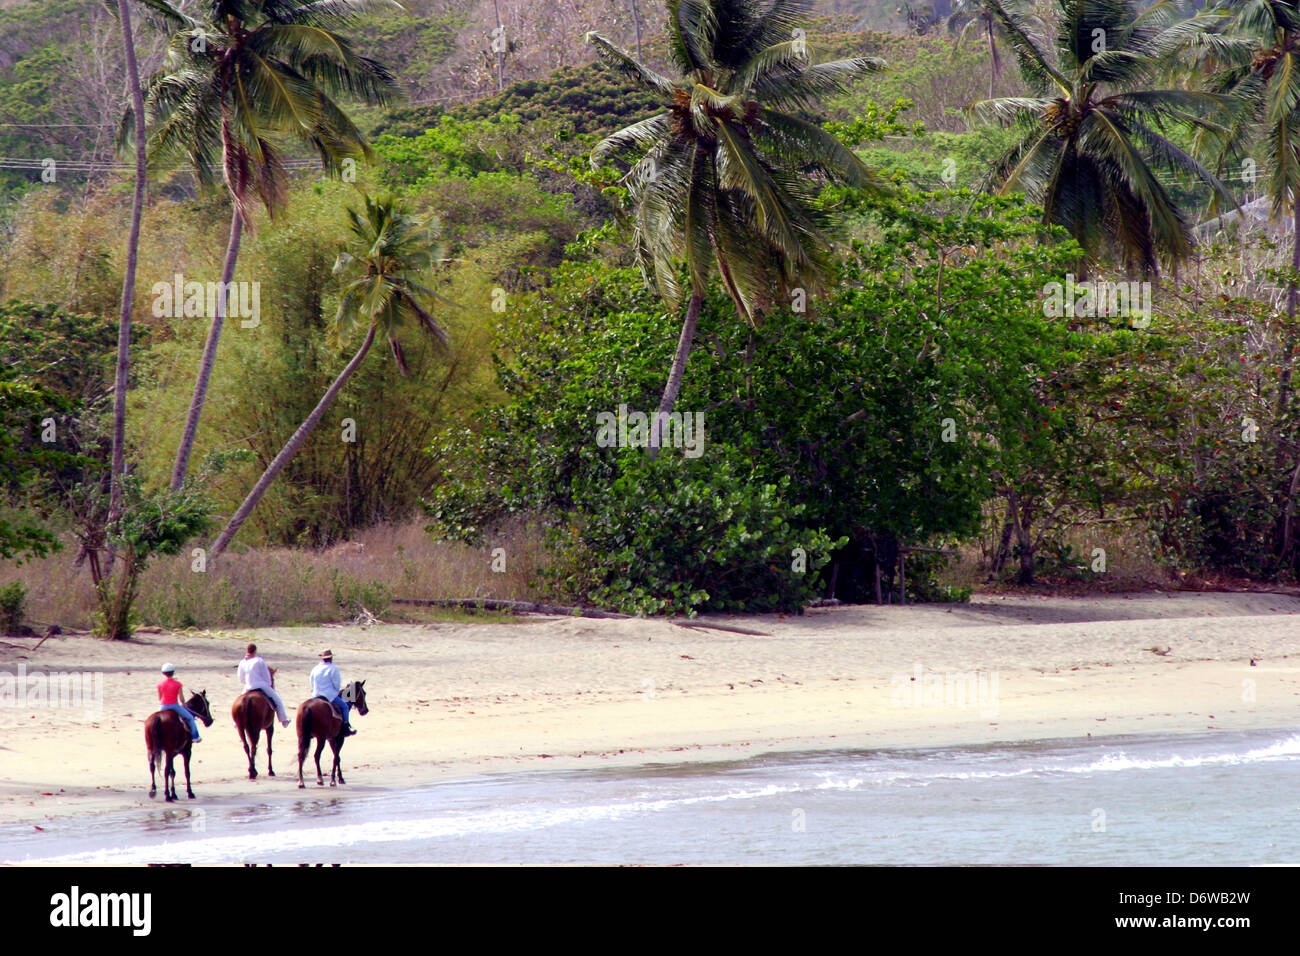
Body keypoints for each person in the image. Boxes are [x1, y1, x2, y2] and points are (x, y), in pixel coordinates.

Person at [238, 643, 290, 728]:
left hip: (247, 687)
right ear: (255, 651)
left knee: (239, 701)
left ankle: (236, 722)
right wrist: (268, 684)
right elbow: (266, 675)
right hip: (260, 685)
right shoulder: (259, 661)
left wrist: (246, 683)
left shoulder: (242, 662)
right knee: (277, 698)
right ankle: (284, 719)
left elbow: (240, 677)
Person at [309, 649, 355, 736]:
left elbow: (311, 682)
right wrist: (336, 691)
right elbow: (336, 684)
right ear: (331, 658)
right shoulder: (333, 669)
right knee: (345, 707)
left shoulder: (315, 668)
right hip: (329, 696)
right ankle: (346, 727)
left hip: (315, 695)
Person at [157, 663, 200, 742]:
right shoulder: (178, 684)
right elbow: (181, 699)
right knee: (190, 718)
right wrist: (183, 704)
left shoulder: (159, 685)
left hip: (163, 706)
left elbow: (160, 698)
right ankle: (195, 737)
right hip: (174, 705)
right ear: (173, 672)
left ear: (163, 673)